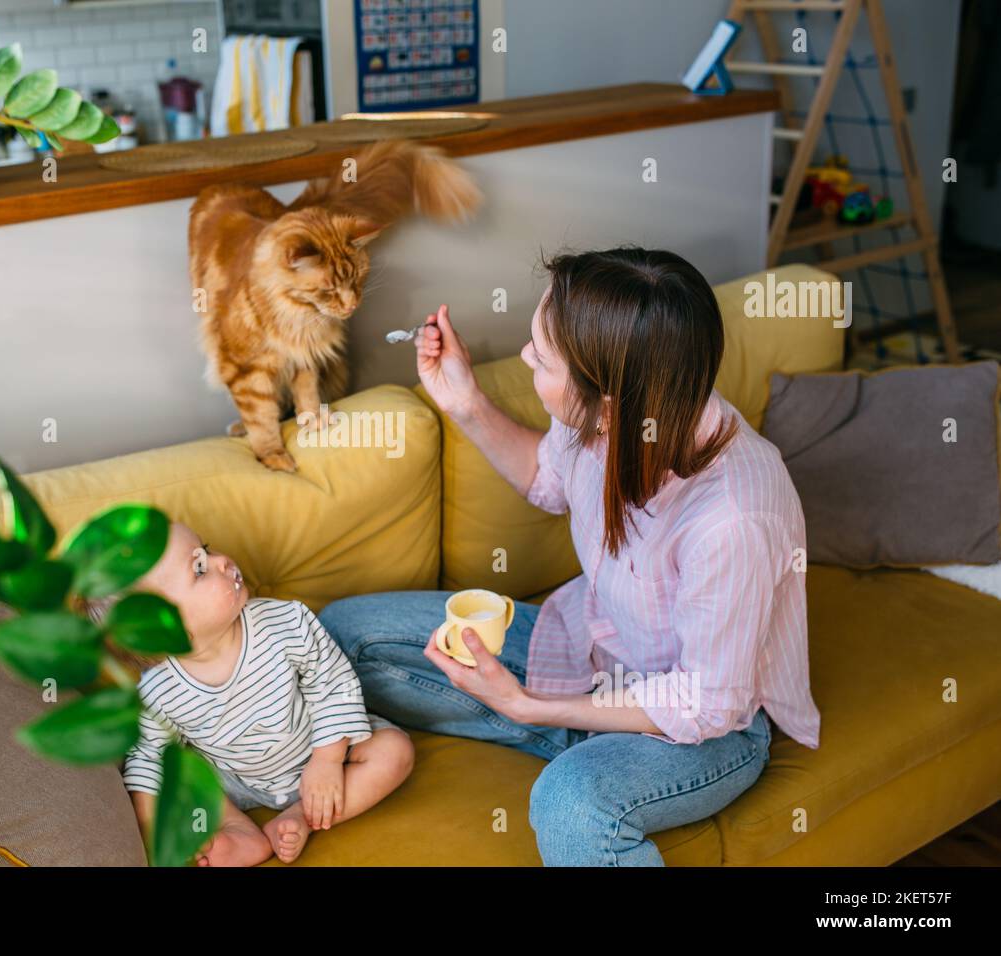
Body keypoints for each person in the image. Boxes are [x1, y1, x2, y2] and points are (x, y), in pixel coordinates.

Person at [319, 247, 821, 866]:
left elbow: (706, 703)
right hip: (589, 641)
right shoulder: (618, 414)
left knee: (570, 802)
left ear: (609, 405)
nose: (526, 356)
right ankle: (576, 730)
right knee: (344, 635)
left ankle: (565, 736)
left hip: (705, 727)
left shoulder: (735, 518)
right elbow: (549, 480)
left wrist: (525, 703)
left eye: (542, 357)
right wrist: (466, 402)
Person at [107, 521, 413, 866]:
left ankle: (303, 816)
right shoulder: (159, 691)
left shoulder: (287, 622)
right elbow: (151, 755)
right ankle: (238, 828)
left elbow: (333, 684)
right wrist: (150, 826)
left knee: (394, 752)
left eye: (205, 550)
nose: (221, 561)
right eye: (198, 569)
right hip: (234, 780)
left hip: (322, 749)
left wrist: (327, 760)